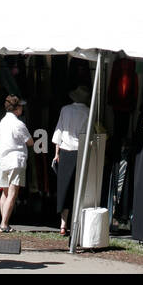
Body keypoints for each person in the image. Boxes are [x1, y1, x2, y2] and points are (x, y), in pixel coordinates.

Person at [52, 86, 91, 236]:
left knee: (64, 189)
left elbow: (59, 131)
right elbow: (88, 133)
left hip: (65, 150)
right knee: (78, 189)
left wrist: (57, 153)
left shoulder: (65, 110)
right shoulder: (88, 111)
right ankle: (76, 223)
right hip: (80, 151)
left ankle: (63, 224)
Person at [0, 94, 32, 234]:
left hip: (3, 158)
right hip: (16, 159)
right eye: (21, 106)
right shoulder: (18, 124)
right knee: (12, 192)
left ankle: (4, 222)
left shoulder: (2, 122)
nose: (22, 108)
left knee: (5, 192)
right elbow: (30, 141)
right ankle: (4, 224)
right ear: (16, 108)